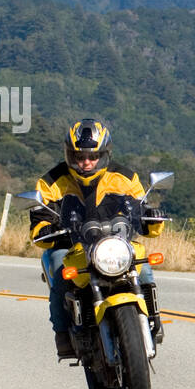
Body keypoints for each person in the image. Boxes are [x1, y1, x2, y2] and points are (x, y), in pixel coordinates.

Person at [29, 119, 164, 358]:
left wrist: (152, 216)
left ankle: (153, 318)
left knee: (142, 266)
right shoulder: (51, 181)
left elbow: (141, 207)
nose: (86, 162)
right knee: (60, 269)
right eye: (79, 156)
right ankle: (63, 334)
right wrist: (43, 229)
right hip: (72, 247)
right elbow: (39, 215)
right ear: (70, 155)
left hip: (114, 243)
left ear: (104, 155)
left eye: (93, 156)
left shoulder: (124, 177)